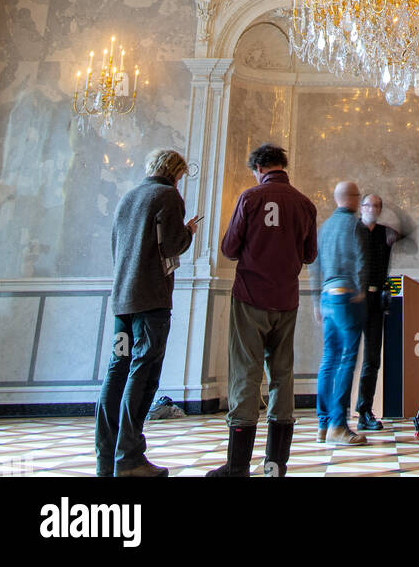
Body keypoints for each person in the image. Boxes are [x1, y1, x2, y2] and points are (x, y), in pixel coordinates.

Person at [208, 143, 317, 478]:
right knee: (282, 375)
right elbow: (310, 255)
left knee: (245, 373)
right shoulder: (304, 204)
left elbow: (229, 248)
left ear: (258, 167)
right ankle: (275, 463)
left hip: (250, 296)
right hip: (286, 299)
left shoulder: (250, 198)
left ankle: (238, 465)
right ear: (282, 166)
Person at [96, 148, 199, 477]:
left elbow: (116, 245)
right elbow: (170, 245)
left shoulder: (128, 196)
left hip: (122, 302)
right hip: (152, 302)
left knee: (117, 369)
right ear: (175, 172)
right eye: (181, 176)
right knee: (144, 370)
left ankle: (106, 455)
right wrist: (189, 233)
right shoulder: (168, 197)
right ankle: (129, 457)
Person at [315, 181, 368, 446]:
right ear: (354, 199)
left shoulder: (324, 227)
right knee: (347, 360)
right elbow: (360, 258)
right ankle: (338, 425)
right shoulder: (355, 225)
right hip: (347, 295)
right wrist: (360, 290)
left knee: (329, 359)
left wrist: (317, 301)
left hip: (327, 296)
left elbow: (315, 264)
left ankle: (323, 425)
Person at [355, 194, 399, 432]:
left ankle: (365, 411)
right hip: (355, 298)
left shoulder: (386, 233)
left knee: (372, 358)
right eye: (370, 204)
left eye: (378, 205)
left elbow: (408, 233)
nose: (374, 208)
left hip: (377, 298)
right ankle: (335, 416)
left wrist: (389, 292)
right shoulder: (353, 231)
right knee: (346, 356)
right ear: (362, 207)